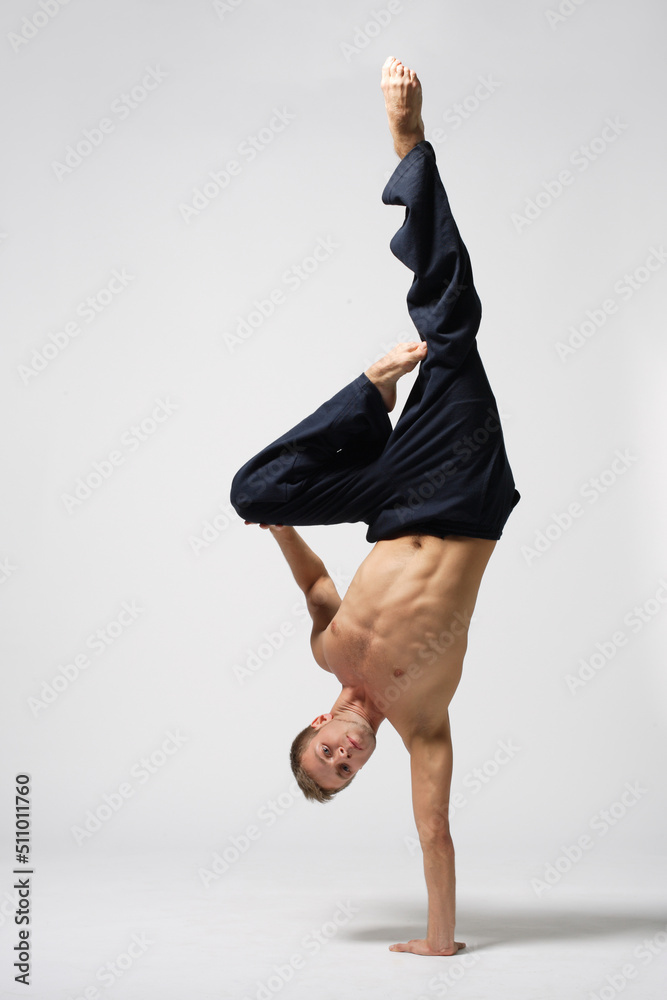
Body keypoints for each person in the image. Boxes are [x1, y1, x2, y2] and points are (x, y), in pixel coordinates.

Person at [230, 56, 520, 957]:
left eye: (327, 757)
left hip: (391, 500)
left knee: (251, 491)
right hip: (466, 490)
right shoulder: (423, 725)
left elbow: (313, 577)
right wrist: (439, 944)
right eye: (347, 774)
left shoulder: (330, 644)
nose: (346, 759)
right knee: (451, 326)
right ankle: (412, 149)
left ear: (319, 725)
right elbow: (433, 836)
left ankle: (369, 389)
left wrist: (280, 524)